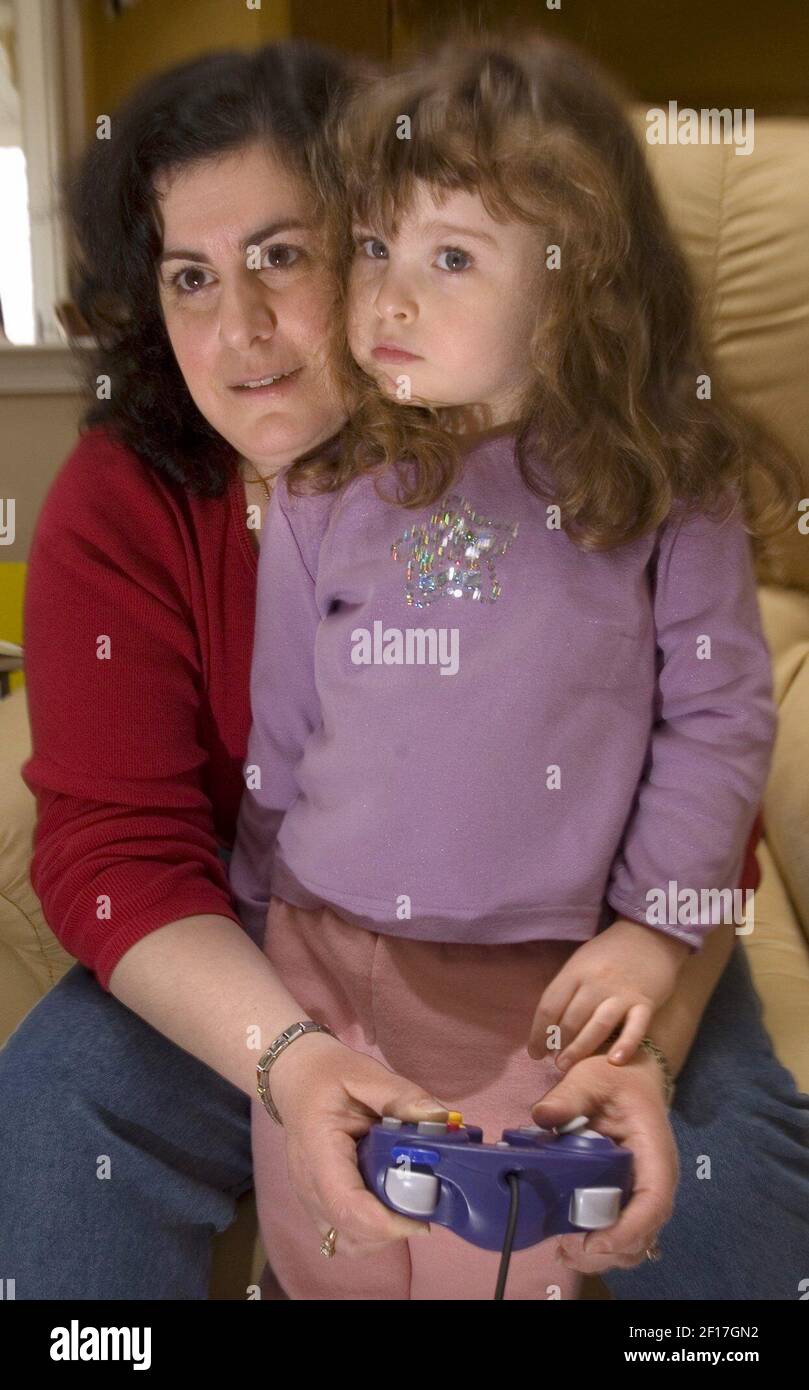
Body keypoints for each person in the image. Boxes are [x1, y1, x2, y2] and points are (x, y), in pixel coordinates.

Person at [0, 37, 805, 1301]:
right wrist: (290, 1052)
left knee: (736, 1218)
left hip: (573, 960)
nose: (244, 327)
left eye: (284, 253)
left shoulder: (626, 480)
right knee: (53, 1123)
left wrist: (648, 1019)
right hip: (274, 959)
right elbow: (117, 846)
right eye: (189, 277)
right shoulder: (136, 504)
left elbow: (704, 768)